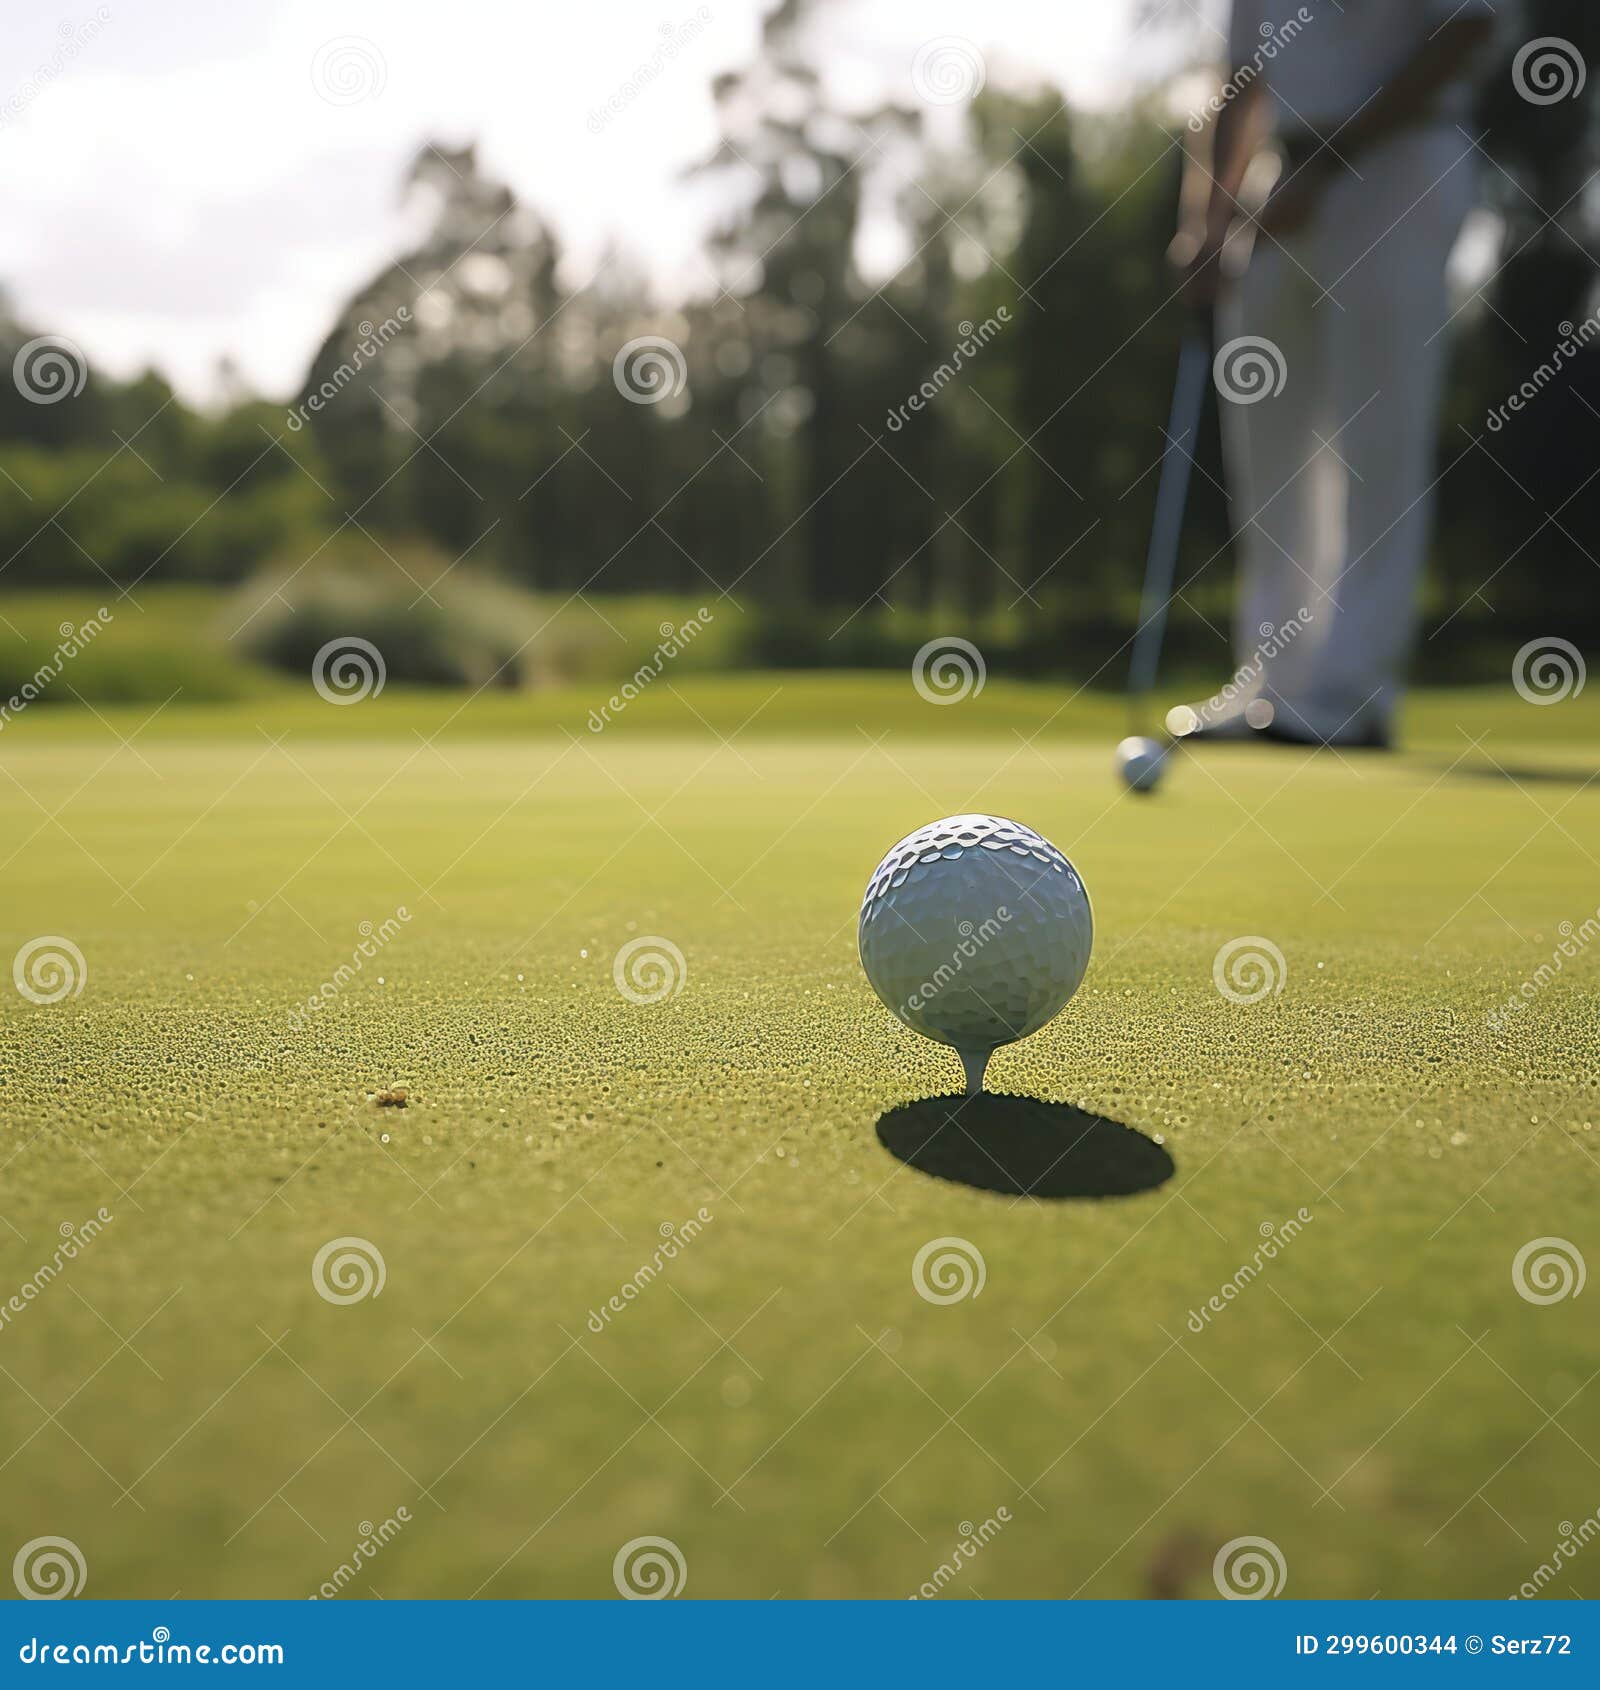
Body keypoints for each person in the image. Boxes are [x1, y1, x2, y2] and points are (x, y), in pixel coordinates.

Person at [1167, 1, 1502, 748]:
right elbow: (1238, 81)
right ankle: (1273, 684)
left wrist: (1332, 157)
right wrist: (1207, 219)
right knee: (1269, 451)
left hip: (1400, 165)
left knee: (1379, 441)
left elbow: (1466, 31)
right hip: (1276, 180)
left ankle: (1350, 695)